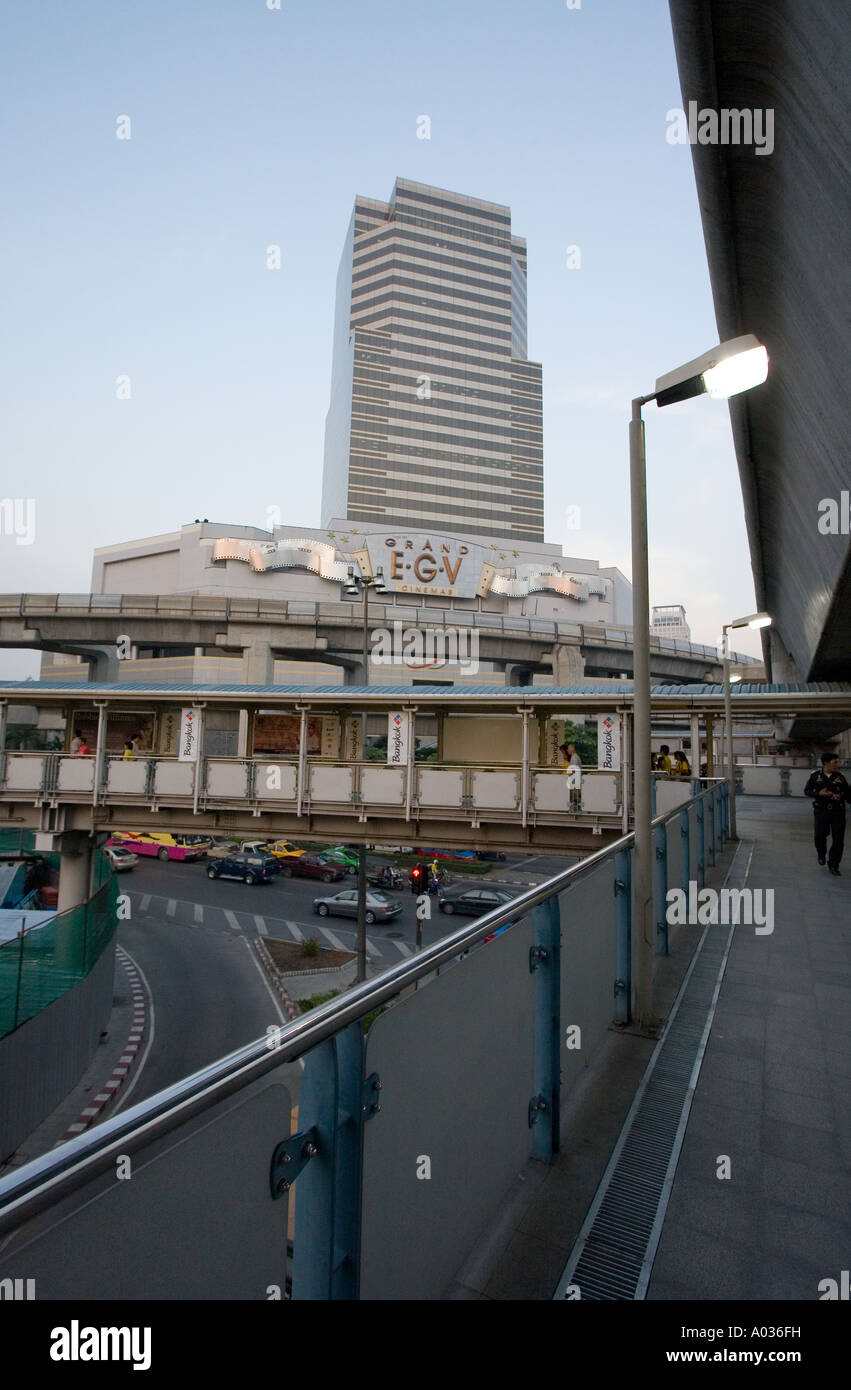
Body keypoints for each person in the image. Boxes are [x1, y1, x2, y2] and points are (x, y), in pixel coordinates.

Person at [803, 752, 851, 875]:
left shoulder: (840, 777)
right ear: (825, 763)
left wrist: (840, 795)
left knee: (838, 839)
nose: (837, 765)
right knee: (819, 835)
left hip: (837, 811)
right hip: (821, 811)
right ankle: (821, 853)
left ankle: (834, 865)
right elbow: (807, 791)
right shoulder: (815, 776)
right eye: (835, 762)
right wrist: (819, 793)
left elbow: (848, 794)